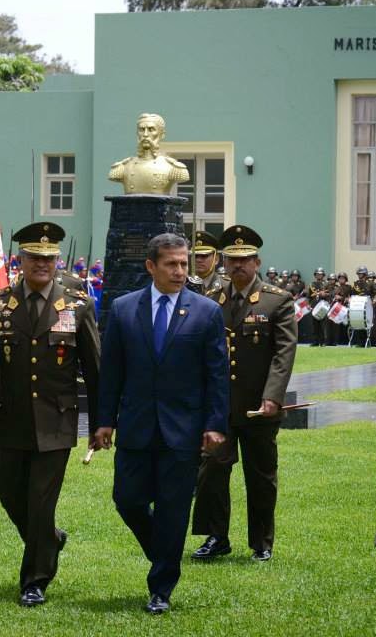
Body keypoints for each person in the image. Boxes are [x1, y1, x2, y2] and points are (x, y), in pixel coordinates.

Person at [0, 222, 100, 608]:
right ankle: (49, 540)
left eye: (49, 257)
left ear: (57, 260)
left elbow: (95, 369)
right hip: (12, 418)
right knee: (8, 490)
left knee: (41, 501)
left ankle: (34, 580)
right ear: (20, 260)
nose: (42, 263)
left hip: (57, 420)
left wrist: (103, 421)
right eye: (34, 257)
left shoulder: (78, 305)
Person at [94, 232, 229, 614]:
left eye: (184, 263)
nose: (180, 271)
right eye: (171, 264)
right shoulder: (123, 309)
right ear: (151, 266)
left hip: (182, 431)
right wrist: (104, 421)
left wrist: (215, 423)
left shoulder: (206, 312)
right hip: (136, 425)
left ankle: (161, 588)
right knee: (127, 500)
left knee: (173, 509)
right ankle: (164, 551)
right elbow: (112, 373)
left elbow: (216, 375)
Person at [191, 225, 297, 564]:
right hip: (219, 405)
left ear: (257, 261)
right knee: (212, 471)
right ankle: (216, 536)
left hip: (258, 405)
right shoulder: (210, 301)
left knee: (260, 474)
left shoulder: (276, 300)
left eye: (245, 260)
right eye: (232, 260)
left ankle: (261, 542)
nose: (238, 266)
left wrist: (273, 396)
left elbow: (284, 353)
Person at [192, 230, 225, 295]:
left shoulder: (225, 286)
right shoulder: (185, 286)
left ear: (216, 259)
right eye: (195, 256)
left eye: (204, 256)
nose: (198, 260)